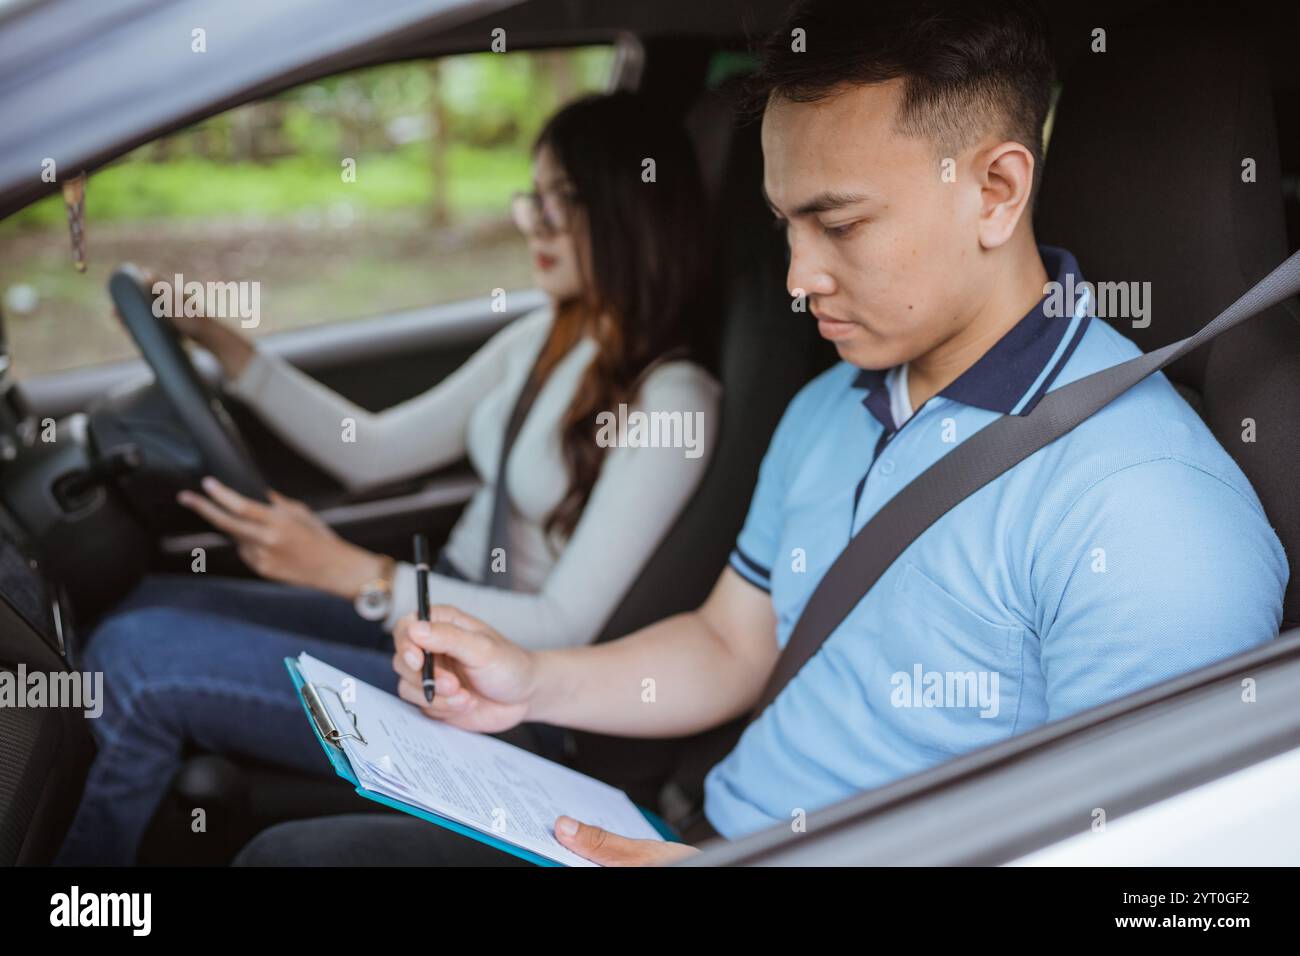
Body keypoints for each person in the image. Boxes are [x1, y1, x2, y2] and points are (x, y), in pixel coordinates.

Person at [234, 0, 1287, 867]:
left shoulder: (1151, 512)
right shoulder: (834, 400)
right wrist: (531, 680)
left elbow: (1138, 871)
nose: (797, 279)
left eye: (838, 224)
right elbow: (735, 640)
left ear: (996, 190)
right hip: (690, 826)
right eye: (785, 224)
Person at [55, 90, 722, 865]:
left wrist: (356, 574)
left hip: (505, 694)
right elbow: (369, 451)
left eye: (562, 202)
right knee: (140, 603)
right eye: (530, 199)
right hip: (437, 621)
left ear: (630, 209)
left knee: (137, 663)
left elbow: (564, 626)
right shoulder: (547, 335)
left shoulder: (676, 401)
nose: (534, 223)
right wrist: (228, 350)